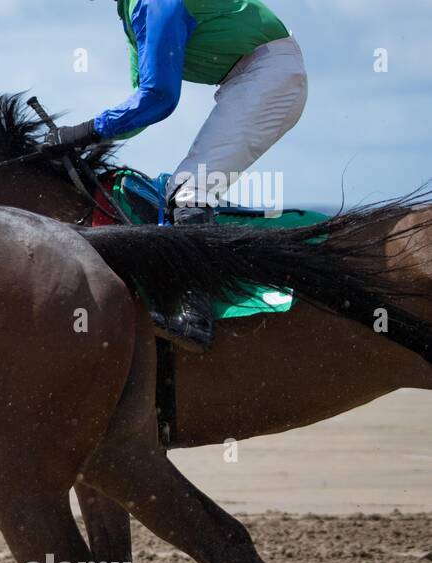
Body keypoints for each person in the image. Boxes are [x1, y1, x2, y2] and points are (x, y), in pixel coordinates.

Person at [44, 0, 307, 351]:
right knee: (178, 190)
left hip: (268, 74)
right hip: (252, 75)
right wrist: (82, 138)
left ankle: (195, 314)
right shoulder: (131, 9)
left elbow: (159, 98)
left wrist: (86, 131)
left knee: (189, 192)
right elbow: (144, 104)